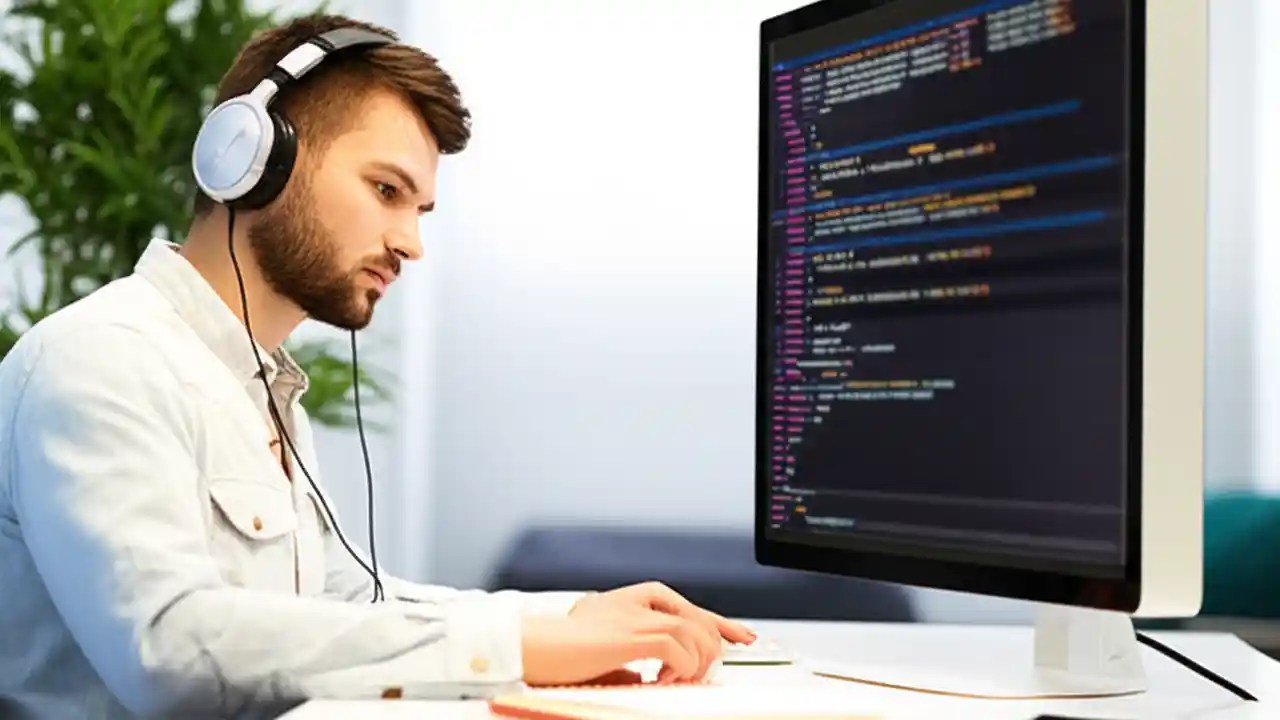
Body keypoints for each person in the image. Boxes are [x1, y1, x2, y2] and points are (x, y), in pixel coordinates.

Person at [0, 14, 754, 720]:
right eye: (386, 190)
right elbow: (170, 647)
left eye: (419, 210)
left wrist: (571, 618)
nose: (410, 243)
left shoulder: (261, 389)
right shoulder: (101, 359)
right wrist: (526, 647)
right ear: (255, 162)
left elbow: (347, 607)